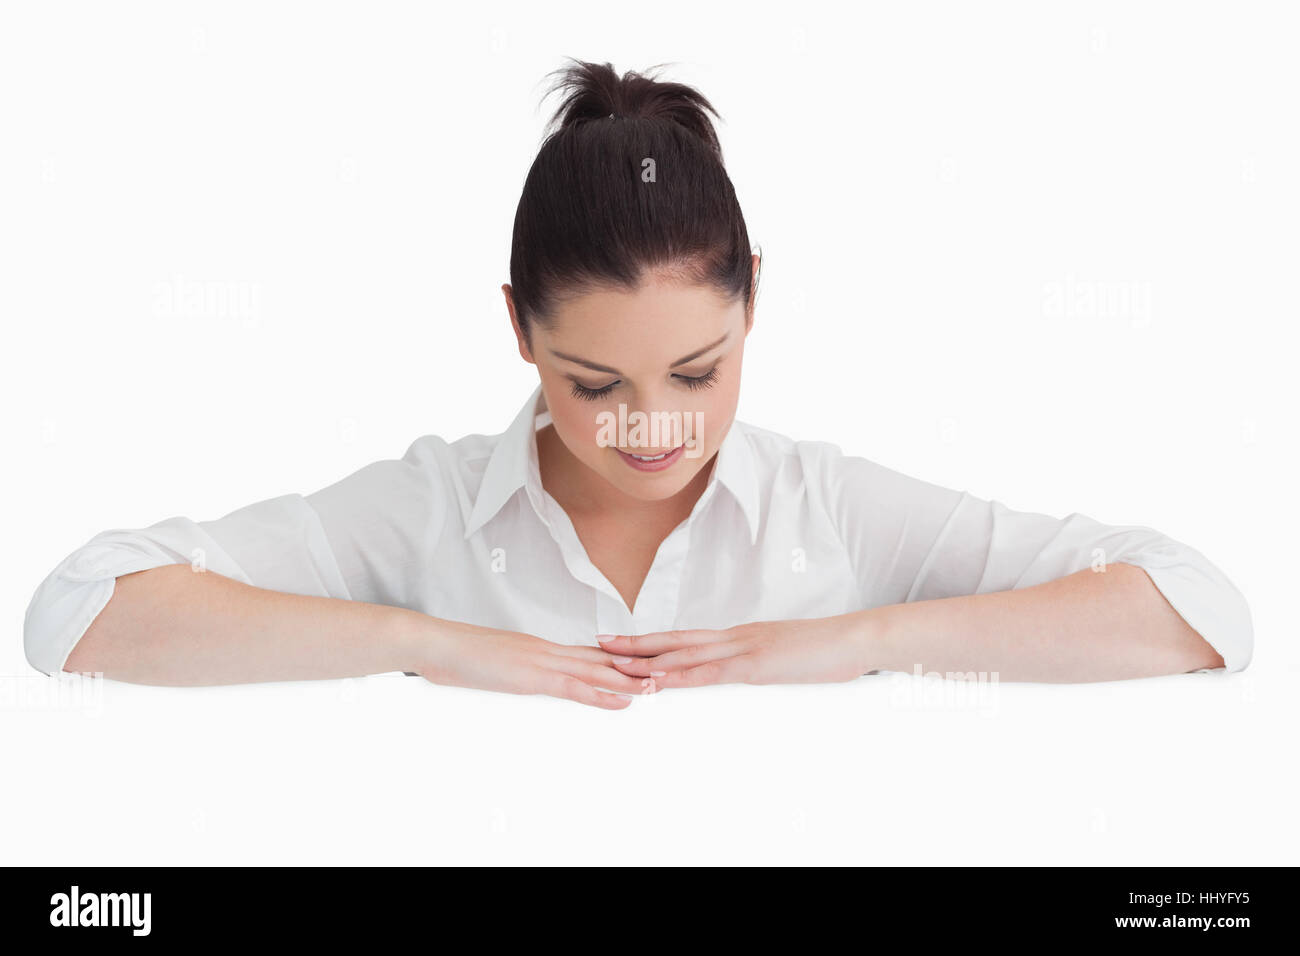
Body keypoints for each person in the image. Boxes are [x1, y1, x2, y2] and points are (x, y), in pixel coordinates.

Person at [23, 60, 1252, 708]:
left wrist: (853, 640)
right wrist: (425, 640)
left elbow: (1199, 609)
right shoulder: (428, 513)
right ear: (518, 330)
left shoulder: (826, 512)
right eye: (596, 382)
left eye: (699, 370)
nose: (654, 422)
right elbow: (78, 611)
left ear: (754, 299)